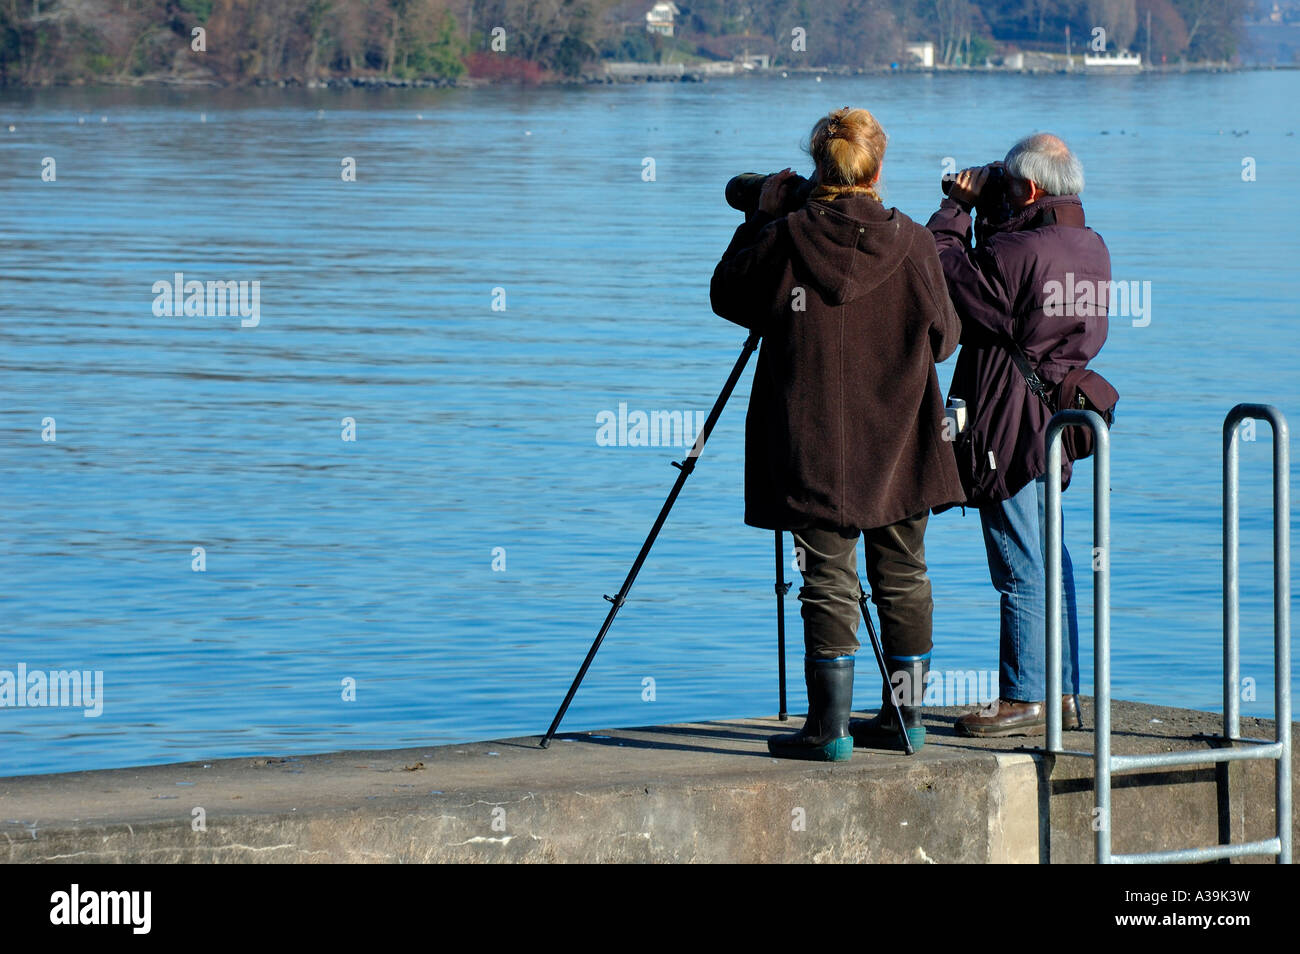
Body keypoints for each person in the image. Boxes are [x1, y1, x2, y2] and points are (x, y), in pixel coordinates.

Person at [710, 107, 965, 761]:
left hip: (810, 436)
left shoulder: (788, 235)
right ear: (878, 169)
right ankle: (906, 719)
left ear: (819, 169)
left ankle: (829, 731)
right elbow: (945, 340)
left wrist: (761, 216)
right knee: (904, 574)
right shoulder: (911, 242)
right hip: (903, 437)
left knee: (825, 578)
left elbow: (728, 297)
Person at [926, 133, 1110, 737]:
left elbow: (945, 271)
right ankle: (1063, 693)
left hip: (1007, 418)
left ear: (1028, 188)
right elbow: (1015, 286)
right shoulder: (1092, 246)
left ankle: (1024, 696)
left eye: (1008, 185)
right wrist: (995, 210)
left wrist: (956, 208)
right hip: (1056, 415)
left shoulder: (1014, 256)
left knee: (1019, 562)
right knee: (1051, 555)